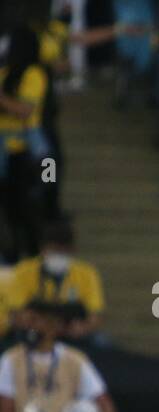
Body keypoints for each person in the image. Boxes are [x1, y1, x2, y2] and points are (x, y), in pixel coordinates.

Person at [7, 219, 105, 342]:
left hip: (72, 335)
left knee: (101, 342)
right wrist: (47, 326)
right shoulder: (24, 271)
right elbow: (16, 314)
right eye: (54, 250)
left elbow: (95, 315)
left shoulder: (87, 273)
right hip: (34, 333)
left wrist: (83, 327)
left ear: (72, 250)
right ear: (43, 249)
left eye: (63, 251)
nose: (58, 255)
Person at [0, 25, 49, 263]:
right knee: (9, 208)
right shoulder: (4, 73)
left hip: (29, 151)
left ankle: (33, 254)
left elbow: (25, 111)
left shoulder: (34, 75)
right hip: (4, 149)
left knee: (28, 204)